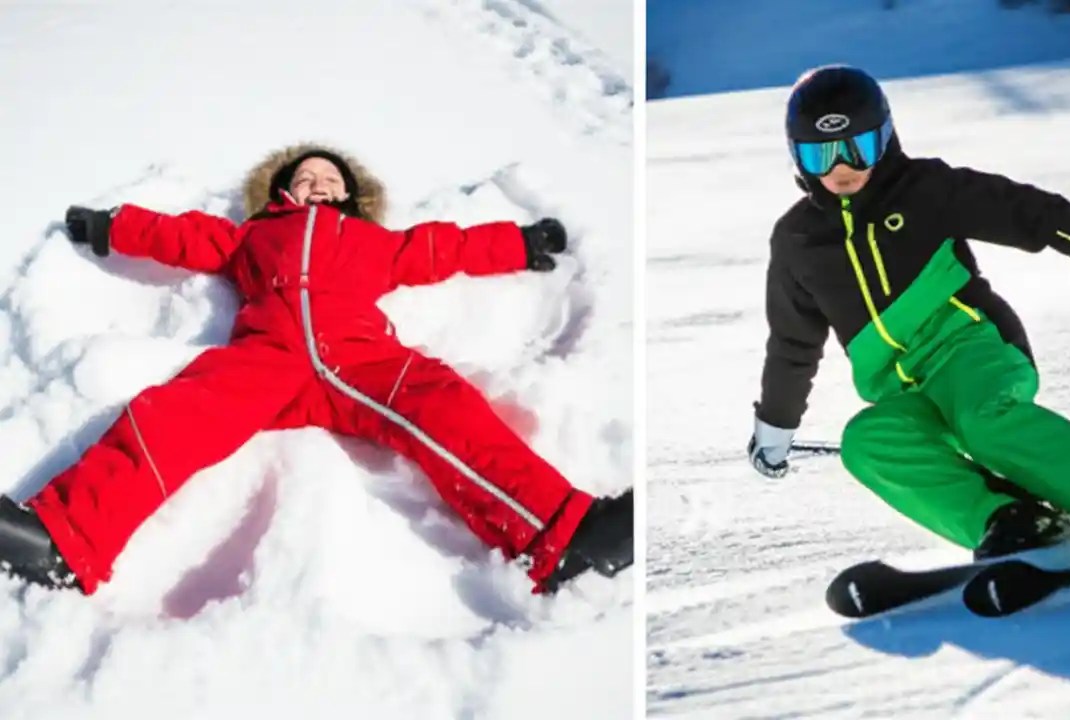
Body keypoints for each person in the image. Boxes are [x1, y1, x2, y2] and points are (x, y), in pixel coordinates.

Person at [0, 143, 632, 594]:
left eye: (330, 179)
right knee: (169, 416)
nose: (319, 184)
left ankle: (562, 536)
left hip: (362, 358)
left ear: (350, 194)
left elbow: (443, 247)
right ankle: (65, 538)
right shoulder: (252, 237)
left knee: (447, 407)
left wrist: (519, 244)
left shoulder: (375, 244)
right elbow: (183, 237)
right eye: (307, 177)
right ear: (283, 190)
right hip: (265, 359)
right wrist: (116, 227)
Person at [747, 66, 1070, 560]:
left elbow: (1030, 213)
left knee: (983, 420)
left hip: (973, 346)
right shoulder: (798, 241)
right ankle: (1013, 522)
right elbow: (792, 344)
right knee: (866, 441)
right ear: (798, 158)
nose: (841, 166)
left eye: (858, 147)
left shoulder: (924, 190)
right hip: (904, 389)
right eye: (821, 154)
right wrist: (775, 428)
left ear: (886, 140)